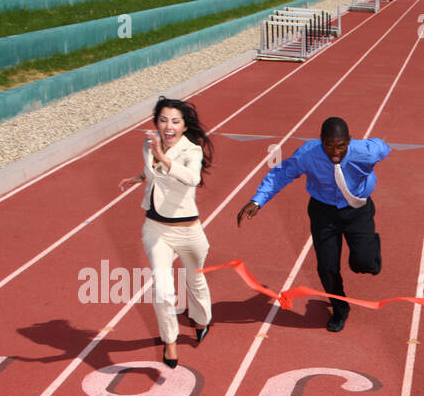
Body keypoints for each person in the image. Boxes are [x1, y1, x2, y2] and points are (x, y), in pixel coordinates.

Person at [237, 117, 390, 332]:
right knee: (327, 267)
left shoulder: (366, 151)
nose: (334, 152)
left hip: (357, 210)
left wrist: (377, 153)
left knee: (364, 263)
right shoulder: (308, 154)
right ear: (321, 141)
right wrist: (258, 200)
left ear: (349, 141)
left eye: (340, 145)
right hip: (323, 211)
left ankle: (369, 250)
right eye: (328, 145)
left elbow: (384, 148)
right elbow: (282, 173)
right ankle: (340, 308)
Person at [118, 97, 214, 369]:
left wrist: (164, 159)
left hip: (189, 231)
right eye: (163, 120)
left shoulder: (191, 151)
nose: (168, 126)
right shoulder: (149, 146)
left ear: (184, 127)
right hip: (156, 229)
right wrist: (140, 176)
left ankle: (201, 319)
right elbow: (154, 172)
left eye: (175, 121)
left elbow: (192, 178)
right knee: (162, 289)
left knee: (195, 282)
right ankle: (169, 342)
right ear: (156, 123)